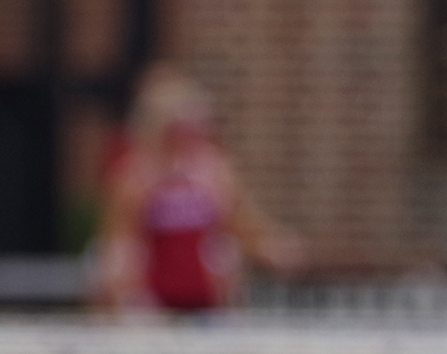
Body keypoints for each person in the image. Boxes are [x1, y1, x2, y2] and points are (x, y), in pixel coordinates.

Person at [94, 64, 302, 311]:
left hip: (206, 298)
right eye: (182, 127)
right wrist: (127, 300)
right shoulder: (136, 174)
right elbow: (120, 242)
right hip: (151, 300)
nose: (193, 135)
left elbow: (240, 224)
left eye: (200, 126)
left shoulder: (215, 170)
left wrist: (272, 245)